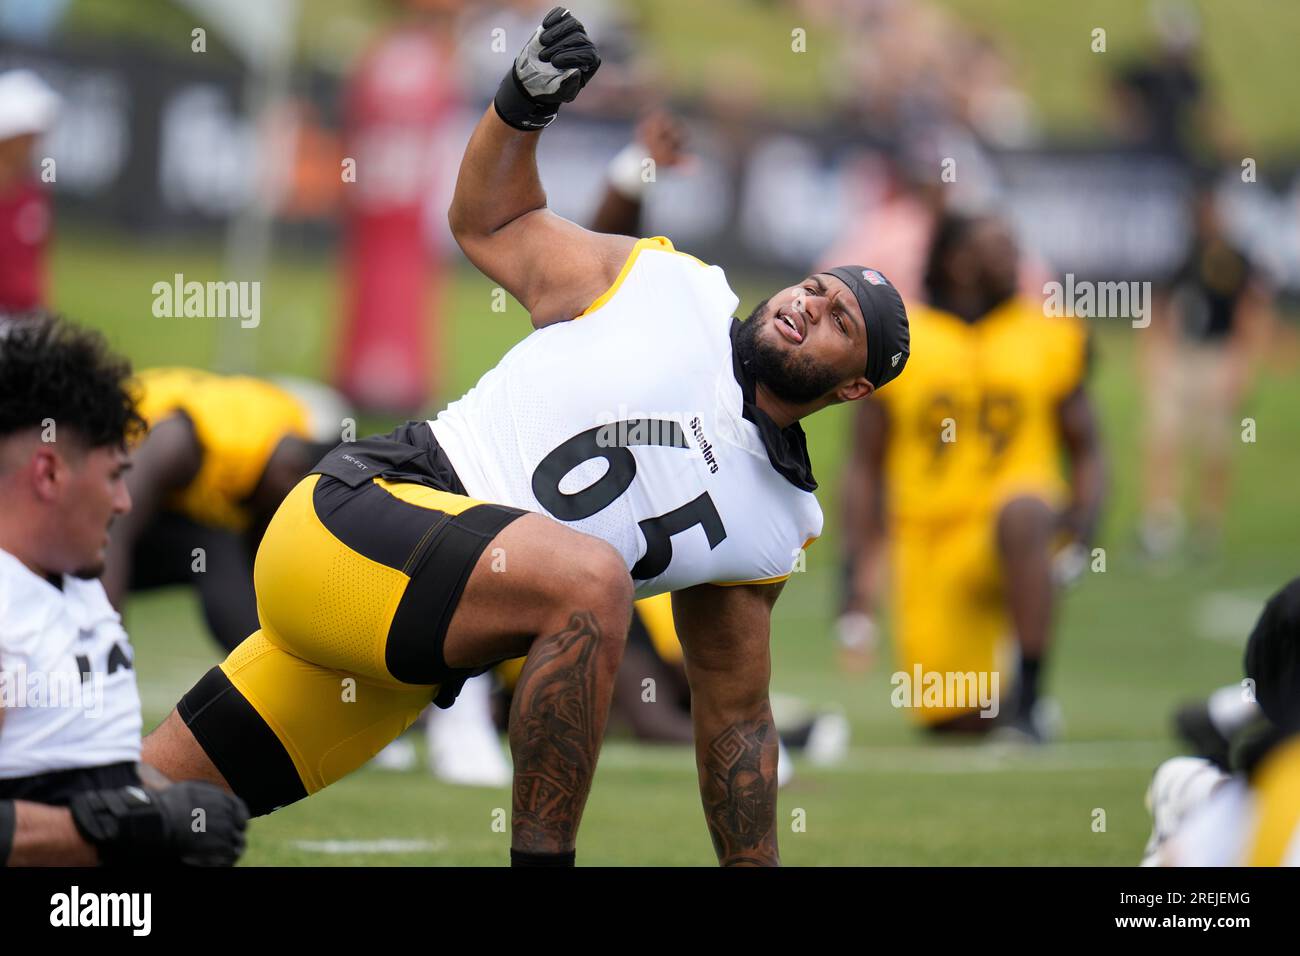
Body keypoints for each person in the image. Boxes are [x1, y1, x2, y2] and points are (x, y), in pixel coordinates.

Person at [141, 6, 910, 867]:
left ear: (853, 386)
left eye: (840, 318)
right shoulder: (672, 287)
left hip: (397, 661)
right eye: (816, 286)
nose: (811, 303)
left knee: (132, 825)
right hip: (357, 519)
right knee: (592, 580)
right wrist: (522, 105)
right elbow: (489, 224)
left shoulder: (775, 524)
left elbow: (735, 724)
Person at [839, 212, 1104, 738]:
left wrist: (1083, 530)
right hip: (929, 538)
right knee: (952, 719)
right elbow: (864, 463)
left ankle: (1029, 701)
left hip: (1013, 522)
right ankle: (1006, 703)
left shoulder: (1045, 333)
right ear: (958, 261)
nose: (1014, 259)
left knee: (1023, 512)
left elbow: (1089, 446)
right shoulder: (905, 336)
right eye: (997, 247)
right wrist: (856, 581)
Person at [0, 314, 247, 867]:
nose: (125, 502)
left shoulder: (75, 583)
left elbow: (80, 762)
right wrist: (135, 826)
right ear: (48, 474)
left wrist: (165, 797)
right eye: (113, 476)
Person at [101, 367, 339, 653]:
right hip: (63, 517)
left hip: (100, 517)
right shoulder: (182, 444)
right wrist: (107, 656)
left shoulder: (281, 448)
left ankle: (273, 676)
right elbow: (111, 527)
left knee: (219, 550)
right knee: (214, 548)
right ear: (290, 472)